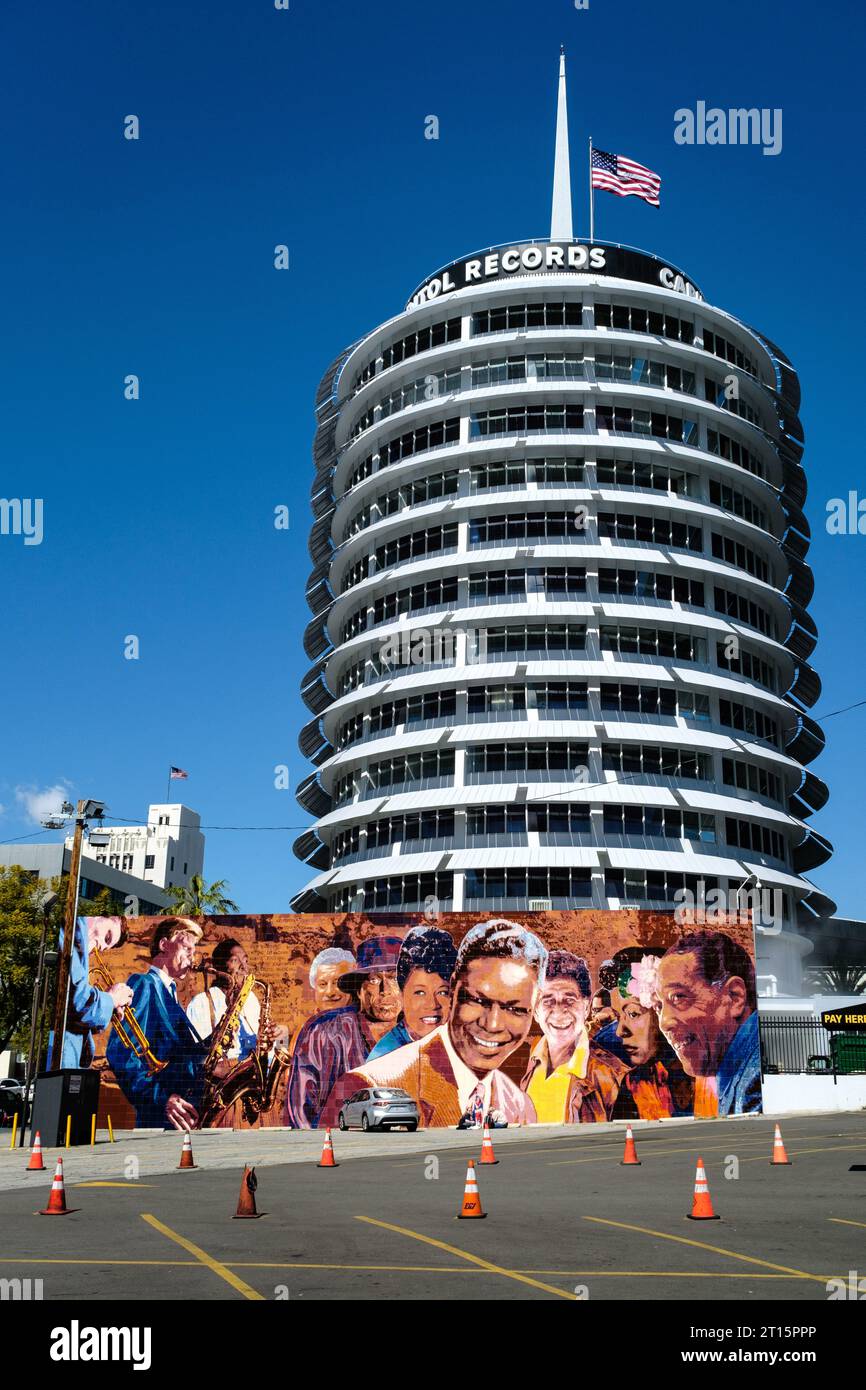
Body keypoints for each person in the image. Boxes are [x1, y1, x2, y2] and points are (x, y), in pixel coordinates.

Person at [320, 919, 545, 1129]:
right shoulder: (365, 1085)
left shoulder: (521, 1107)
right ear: (455, 987)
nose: (493, 1024)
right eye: (478, 1000)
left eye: (515, 1009)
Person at [284, 936, 402, 1128]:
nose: (385, 990)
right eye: (373, 980)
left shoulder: (415, 1033)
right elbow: (302, 1112)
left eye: (394, 978)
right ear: (358, 989)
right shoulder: (323, 1031)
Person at [107, 918, 207, 1130]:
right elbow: (121, 1054)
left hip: (182, 1115)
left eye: (194, 950)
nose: (192, 955)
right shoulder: (143, 984)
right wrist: (162, 1100)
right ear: (164, 945)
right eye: (186, 947)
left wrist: (217, 1039)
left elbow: (180, 1054)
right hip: (161, 1118)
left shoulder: (170, 994)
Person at [656, 930, 761, 1116]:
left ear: (734, 997)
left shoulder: (753, 1082)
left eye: (679, 997)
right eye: (658, 1006)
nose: (664, 1023)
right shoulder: (740, 1071)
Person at [186, 937, 285, 1128]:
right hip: (225, 1095)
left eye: (245, 960)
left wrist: (270, 1040)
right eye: (235, 960)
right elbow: (195, 1057)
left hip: (255, 1092)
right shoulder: (201, 1002)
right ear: (220, 966)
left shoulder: (252, 1000)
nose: (243, 966)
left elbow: (261, 1048)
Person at [520, 951, 628, 1124]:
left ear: (586, 1008)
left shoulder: (613, 1077)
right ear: (535, 1011)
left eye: (569, 1000)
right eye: (548, 1001)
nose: (558, 1011)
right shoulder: (535, 1058)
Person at [599, 949, 693, 1120]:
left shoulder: (714, 1071)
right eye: (618, 1017)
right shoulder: (631, 1085)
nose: (620, 1032)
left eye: (633, 1014)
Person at [366, 925, 457, 1061]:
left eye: (442, 992)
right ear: (402, 994)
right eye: (420, 992)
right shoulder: (384, 1060)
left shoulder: (463, 1047)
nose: (432, 1005)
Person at [58, 916, 133, 1069]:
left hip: (71, 1059)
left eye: (107, 946)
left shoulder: (78, 945)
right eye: (108, 937)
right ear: (100, 916)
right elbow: (75, 1001)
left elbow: (72, 1015)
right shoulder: (73, 930)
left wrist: (107, 1007)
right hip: (62, 1057)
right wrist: (111, 999)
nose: (103, 947)